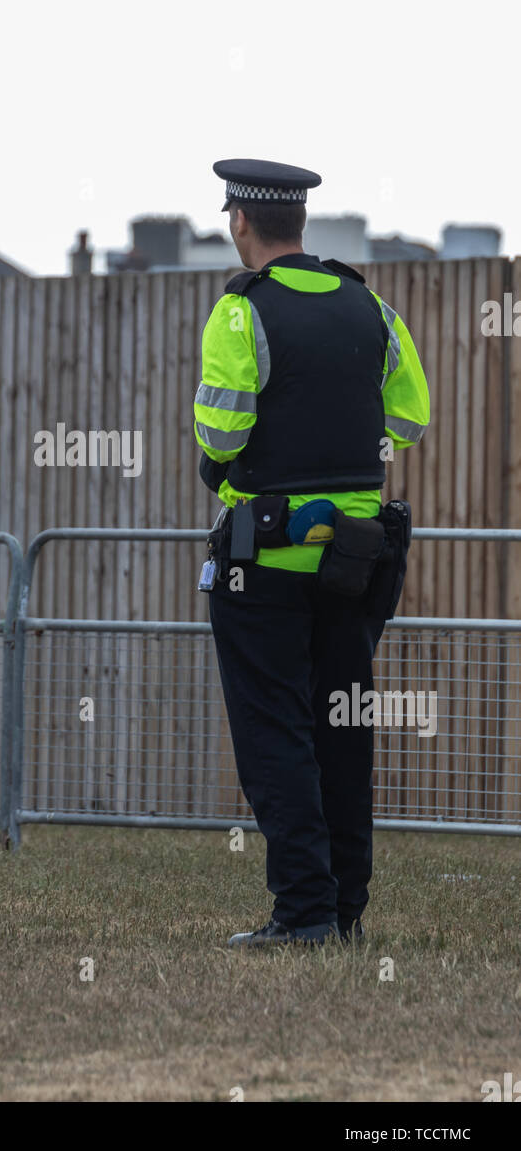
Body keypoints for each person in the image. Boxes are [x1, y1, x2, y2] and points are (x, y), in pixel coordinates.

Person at [194, 159, 429, 947]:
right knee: (342, 730)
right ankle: (345, 912)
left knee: (276, 739)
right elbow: (413, 417)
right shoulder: (372, 308)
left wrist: (233, 460)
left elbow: (221, 434)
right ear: (300, 221)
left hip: (263, 563)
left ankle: (302, 914)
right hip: (356, 563)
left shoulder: (240, 314)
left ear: (240, 223)